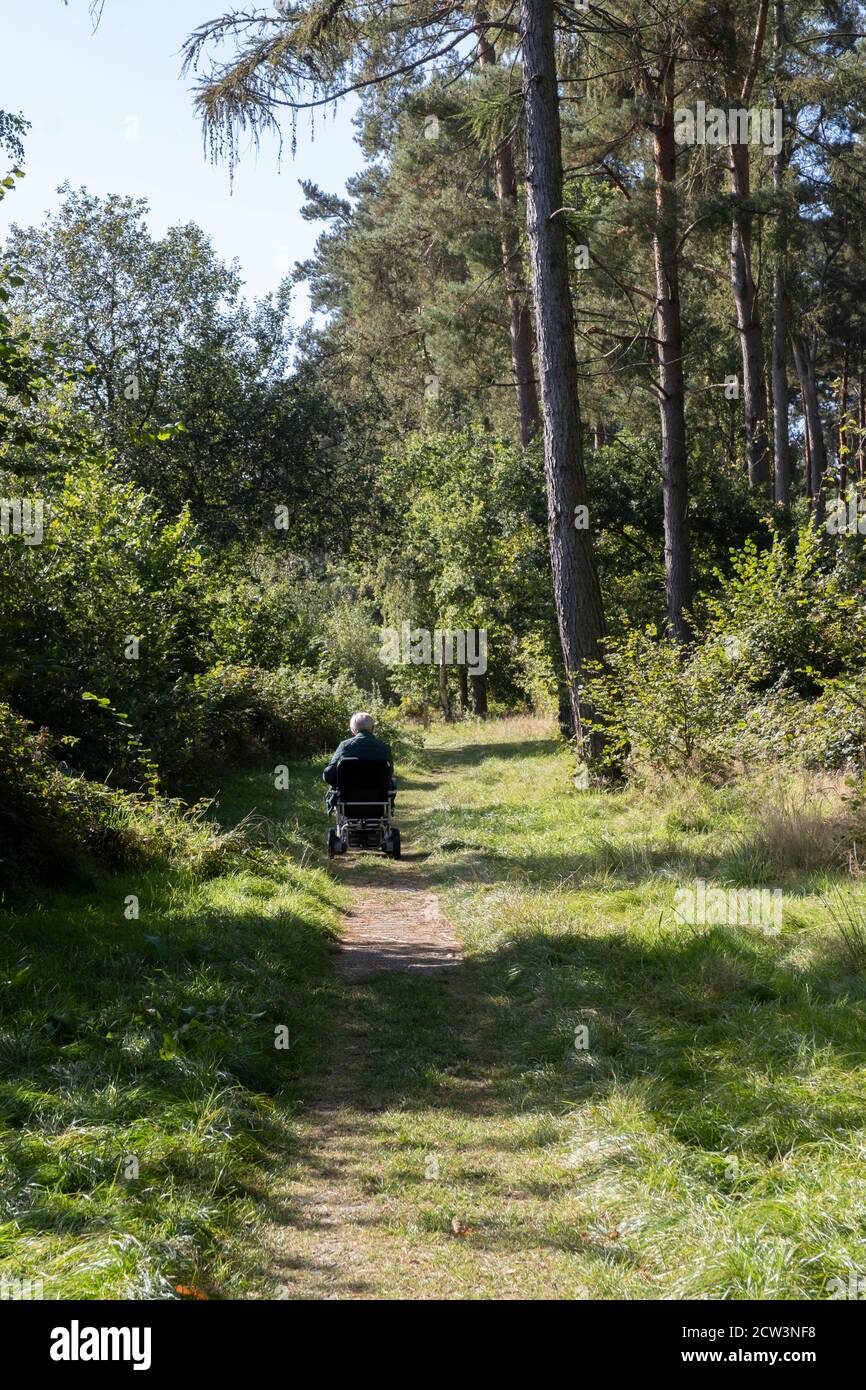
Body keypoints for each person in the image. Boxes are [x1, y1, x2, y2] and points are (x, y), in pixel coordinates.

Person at [323, 712, 396, 812]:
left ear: (353, 730)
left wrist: (335, 783)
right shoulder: (384, 748)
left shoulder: (344, 746)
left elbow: (329, 774)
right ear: (373, 728)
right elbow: (389, 773)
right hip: (378, 801)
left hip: (347, 801)